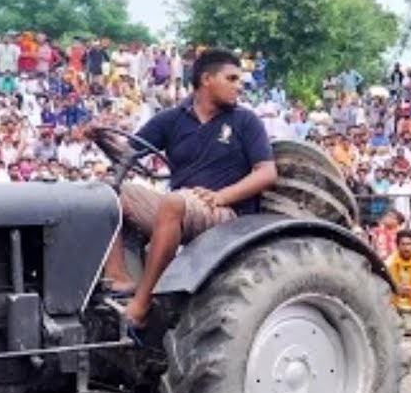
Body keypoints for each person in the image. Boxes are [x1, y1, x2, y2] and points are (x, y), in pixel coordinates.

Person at [97, 49, 277, 327]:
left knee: (174, 202)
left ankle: (141, 306)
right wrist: (99, 136)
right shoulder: (172, 119)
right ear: (207, 79)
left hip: (226, 211)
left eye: (239, 80)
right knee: (106, 195)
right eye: (231, 79)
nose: (239, 86)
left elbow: (266, 173)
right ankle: (119, 278)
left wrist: (222, 196)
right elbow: (128, 153)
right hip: (182, 205)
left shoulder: (245, 121)